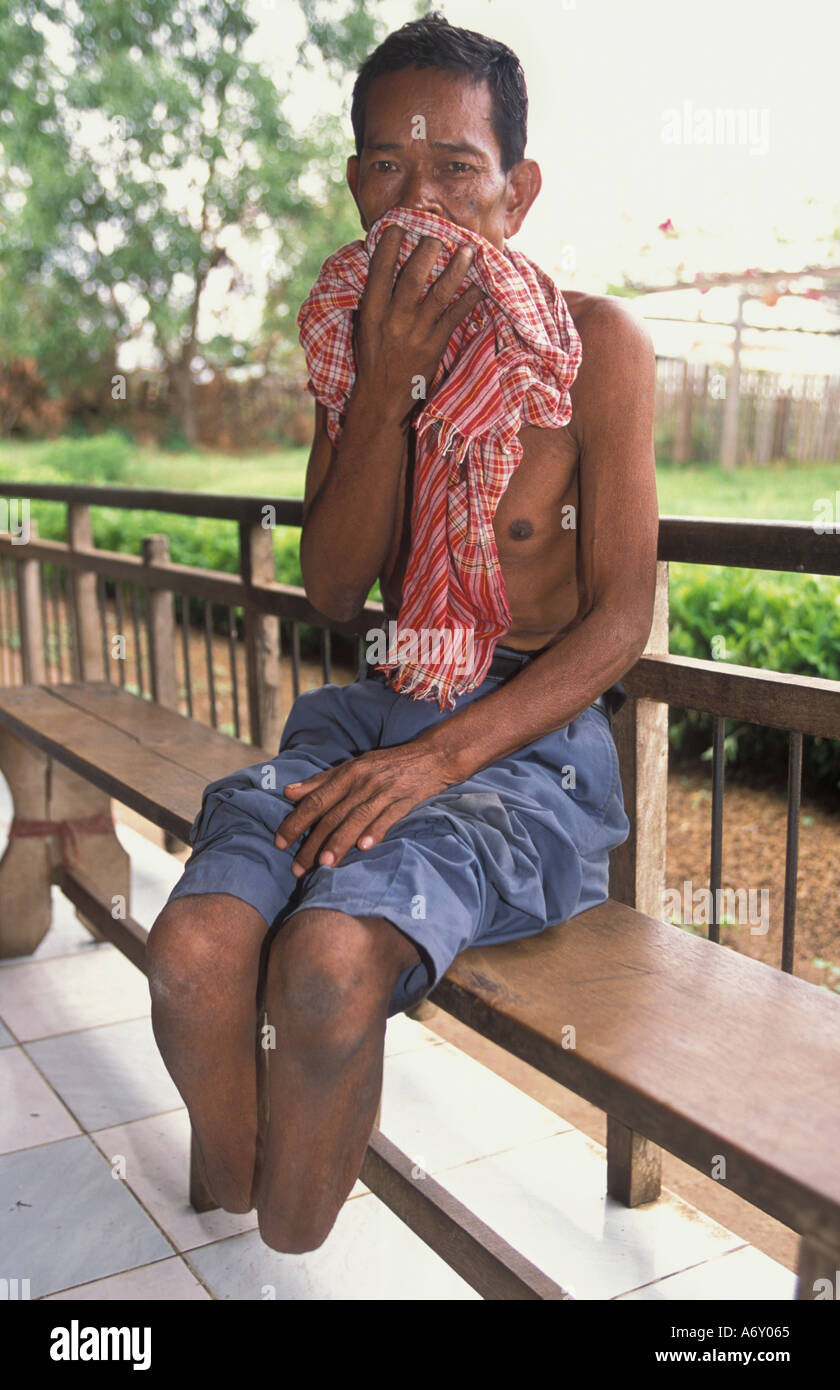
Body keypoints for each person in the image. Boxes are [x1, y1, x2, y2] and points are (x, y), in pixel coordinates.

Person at [146, 12, 659, 1256]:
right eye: (387, 166)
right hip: (371, 708)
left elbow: (622, 621)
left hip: (520, 745)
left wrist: (432, 764)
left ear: (516, 192)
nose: (417, 199)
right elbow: (332, 588)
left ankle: (280, 1225)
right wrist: (386, 383)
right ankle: (244, 1168)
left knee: (325, 965)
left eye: (455, 169)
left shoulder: (594, 349)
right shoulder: (346, 345)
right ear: (354, 186)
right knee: (198, 950)